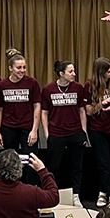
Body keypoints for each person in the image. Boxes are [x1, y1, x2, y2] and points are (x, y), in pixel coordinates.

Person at [37, 59, 88, 195]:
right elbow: (44, 113)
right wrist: (47, 134)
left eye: (74, 71)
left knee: (76, 166)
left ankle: (76, 195)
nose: (74, 74)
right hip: (56, 133)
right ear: (61, 73)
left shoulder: (78, 88)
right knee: (54, 167)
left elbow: (82, 110)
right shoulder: (48, 89)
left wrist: (83, 131)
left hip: (75, 132)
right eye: (70, 71)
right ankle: (52, 193)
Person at [82, 57, 110, 209]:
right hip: (96, 129)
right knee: (103, 162)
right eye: (109, 71)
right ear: (101, 73)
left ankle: (102, 191)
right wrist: (102, 104)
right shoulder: (89, 85)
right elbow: (88, 110)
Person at [0, 50, 42, 156]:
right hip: (8, 127)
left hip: (27, 127)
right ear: (10, 68)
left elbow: (37, 106)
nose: (22, 70)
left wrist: (34, 129)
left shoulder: (32, 83)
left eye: (24, 67)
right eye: (19, 68)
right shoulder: (1, 85)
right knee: (10, 159)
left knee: (31, 159)